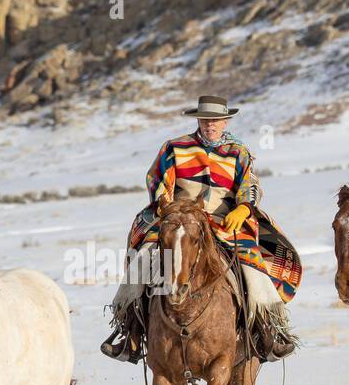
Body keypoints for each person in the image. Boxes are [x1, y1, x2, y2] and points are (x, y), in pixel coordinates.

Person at [101, 95, 301, 363]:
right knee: (145, 254)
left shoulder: (238, 152)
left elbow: (249, 186)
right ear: (198, 120)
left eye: (216, 120)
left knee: (253, 261)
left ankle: (267, 329)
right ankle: (130, 331)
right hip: (180, 217)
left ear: (226, 121)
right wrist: (167, 207)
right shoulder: (175, 148)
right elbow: (158, 180)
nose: (210, 125)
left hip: (224, 220)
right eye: (206, 120)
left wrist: (243, 209)